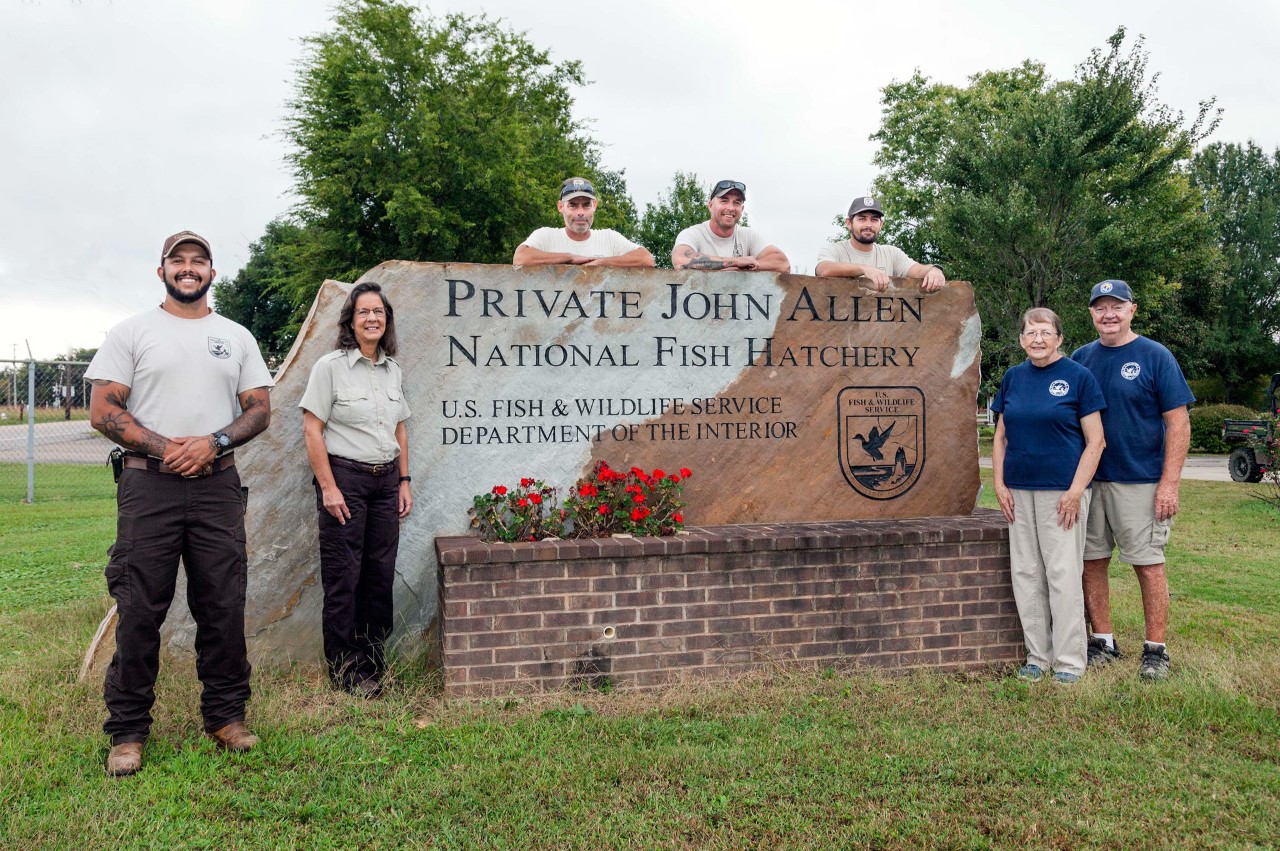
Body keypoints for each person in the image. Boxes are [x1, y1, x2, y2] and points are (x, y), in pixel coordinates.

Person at [87, 231, 273, 777]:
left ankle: (226, 717)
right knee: (140, 606)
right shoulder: (131, 332)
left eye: (199, 261)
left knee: (223, 602)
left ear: (212, 273)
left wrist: (213, 442)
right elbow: (103, 410)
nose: (188, 268)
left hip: (217, 486)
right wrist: (169, 448)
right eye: (178, 261)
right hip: (149, 486)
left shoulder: (235, 336)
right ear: (162, 270)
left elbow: (259, 409)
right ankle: (127, 731)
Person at [1072, 280, 1194, 680]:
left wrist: (1169, 483)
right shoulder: (1080, 358)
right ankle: (1103, 641)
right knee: (1091, 562)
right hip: (1090, 482)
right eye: (1100, 307)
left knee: (1148, 564)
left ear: (1132, 310)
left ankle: (1155, 650)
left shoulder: (1155, 356)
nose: (1108, 314)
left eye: (1117, 306)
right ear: (1091, 313)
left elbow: (1178, 423)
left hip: (1141, 480)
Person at [299, 282, 413, 698]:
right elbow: (312, 429)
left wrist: (404, 480)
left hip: (385, 483)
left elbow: (400, 429)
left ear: (387, 320)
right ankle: (346, 671)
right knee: (344, 577)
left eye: (378, 312)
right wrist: (328, 487)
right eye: (363, 311)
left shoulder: (392, 370)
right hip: (345, 480)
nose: (372, 318)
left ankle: (372, 662)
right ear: (350, 321)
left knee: (379, 576)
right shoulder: (330, 367)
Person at [991, 308, 1106, 684]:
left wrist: (1075, 491)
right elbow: (1001, 437)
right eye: (1030, 333)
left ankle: (1069, 661)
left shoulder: (1079, 377)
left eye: (1044, 332)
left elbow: (1096, 442)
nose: (1037, 339)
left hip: (1062, 494)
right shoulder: (1013, 377)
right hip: (1018, 493)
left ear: (1059, 338)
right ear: (1021, 339)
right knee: (1026, 574)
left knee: (1062, 575)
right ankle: (1037, 657)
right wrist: (999, 484)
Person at [513, 177, 655, 267]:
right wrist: (569, 258)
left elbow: (646, 259)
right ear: (560, 207)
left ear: (595, 205)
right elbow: (520, 258)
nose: (580, 212)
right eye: (573, 205)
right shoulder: (546, 236)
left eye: (586, 205)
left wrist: (601, 263)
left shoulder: (609, 238)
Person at [815, 196, 947, 293]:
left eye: (874, 220)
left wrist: (934, 269)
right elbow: (823, 270)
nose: (868, 225)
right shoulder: (834, 249)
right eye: (862, 219)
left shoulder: (891, 253)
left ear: (881, 224)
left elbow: (916, 270)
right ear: (849, 223)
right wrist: (864, 269)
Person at [671, 180, 790, 272]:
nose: (731, 208)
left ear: (742, 209)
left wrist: (749, 267)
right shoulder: (693, 233)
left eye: (737, 203)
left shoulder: (749, 235)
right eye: (724, 201)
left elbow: (783, 265)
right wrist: (736, 262)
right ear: (711, 205)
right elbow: (680, 261)